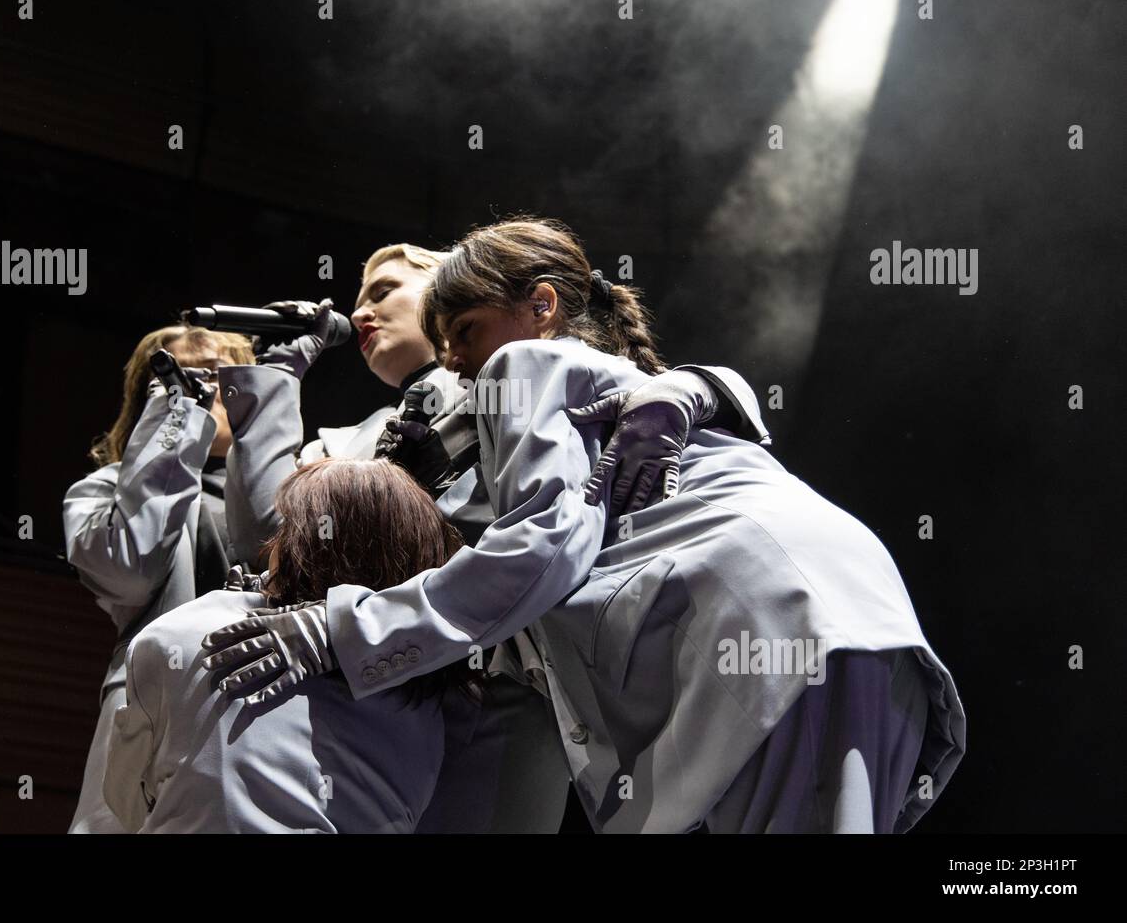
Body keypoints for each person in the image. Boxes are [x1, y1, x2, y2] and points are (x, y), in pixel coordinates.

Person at [204, 217, 967, 833]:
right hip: (854, 614)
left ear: (541, 307)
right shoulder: (595, 386)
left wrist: (345, 631)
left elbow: (542, 547)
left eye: (464, 333)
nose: (460, 367)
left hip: (755, 622)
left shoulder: (521, 369)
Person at [219, 242, 770, 832]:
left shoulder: (517, 364)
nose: (360, 315)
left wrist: (699, 387)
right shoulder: (346, 442)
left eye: (384, 291)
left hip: (495, 701)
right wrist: (274, 384)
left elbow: (622, 409)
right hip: (362, 687)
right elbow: (264, 534)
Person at [103, 458, 471, 833]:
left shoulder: (183, 631)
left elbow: (125, 795)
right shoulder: (435, 702)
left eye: (285, 528)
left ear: (304, 541)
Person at [62, 323, 253, 833]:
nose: (203, 390)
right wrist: (175, 426)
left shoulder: (292, 487)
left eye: (219, 374)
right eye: (181, 378)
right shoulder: (103, 489)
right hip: (156, 706)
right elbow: (129, 570)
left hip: (261, 705)